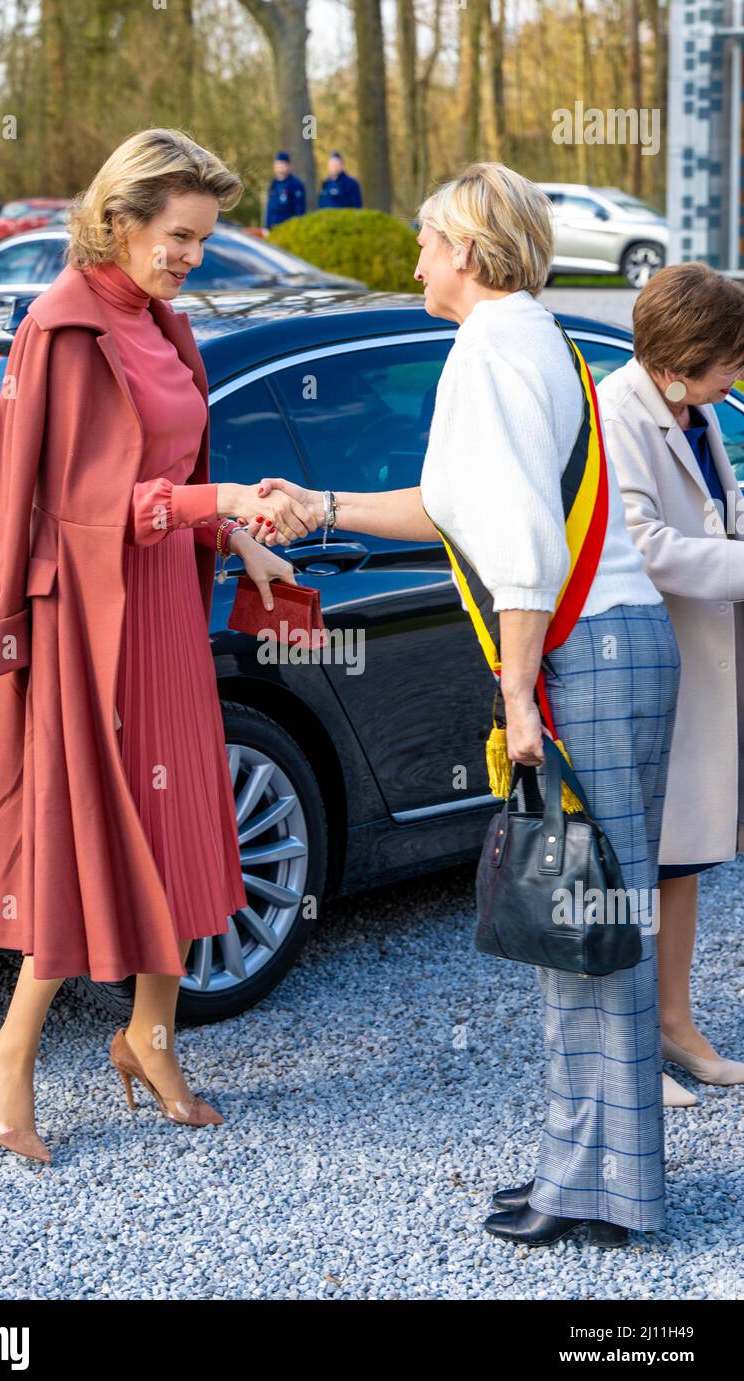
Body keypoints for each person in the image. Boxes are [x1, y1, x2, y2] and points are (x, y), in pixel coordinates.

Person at [252, 162, 681, 1247]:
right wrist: (327, 504)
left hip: (581, 650)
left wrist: (515, 696)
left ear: (470, 251)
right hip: (610, 646)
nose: (415, 258)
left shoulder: (490, 351)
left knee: (584, 918)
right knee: (580, 919)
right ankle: (578, 1174)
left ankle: (607, 1193)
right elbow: (454, 503)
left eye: (428, 239)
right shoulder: (521, 338)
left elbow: (525, 547)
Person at [0, 128, 316, 1162]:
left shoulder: (162, 321)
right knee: (92, 835)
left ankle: (149, 1038)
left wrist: (239, 539)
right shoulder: (66, 329)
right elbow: (83, 506)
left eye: (202, 240)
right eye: (177, 236)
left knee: (181, 822)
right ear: (117, 219)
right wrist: (217, 500)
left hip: (164, 602)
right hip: (91, 617)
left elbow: (168, 469)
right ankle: (10, 1051)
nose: (190, 258)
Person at [597, 262, 744, 1103]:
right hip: (642, 659)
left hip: (698, 660)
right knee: (629, 866)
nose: (737, 378)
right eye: (730, 363)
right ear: (681, 363)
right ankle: (626, 1053)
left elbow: (714, 508)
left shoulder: (690, 408)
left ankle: (675, 1027)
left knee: (681, 856)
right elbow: (644, 542)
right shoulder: (619, 414)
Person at [264, 151, 306, 230]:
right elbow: (269, 209)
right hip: (272, 230)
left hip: (287, 230)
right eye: (277, 164)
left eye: (282, 164)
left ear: (288, 166)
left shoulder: (295, 185)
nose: (280, 166)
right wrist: (266, 227)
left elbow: (299, 212)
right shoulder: (273, 184)